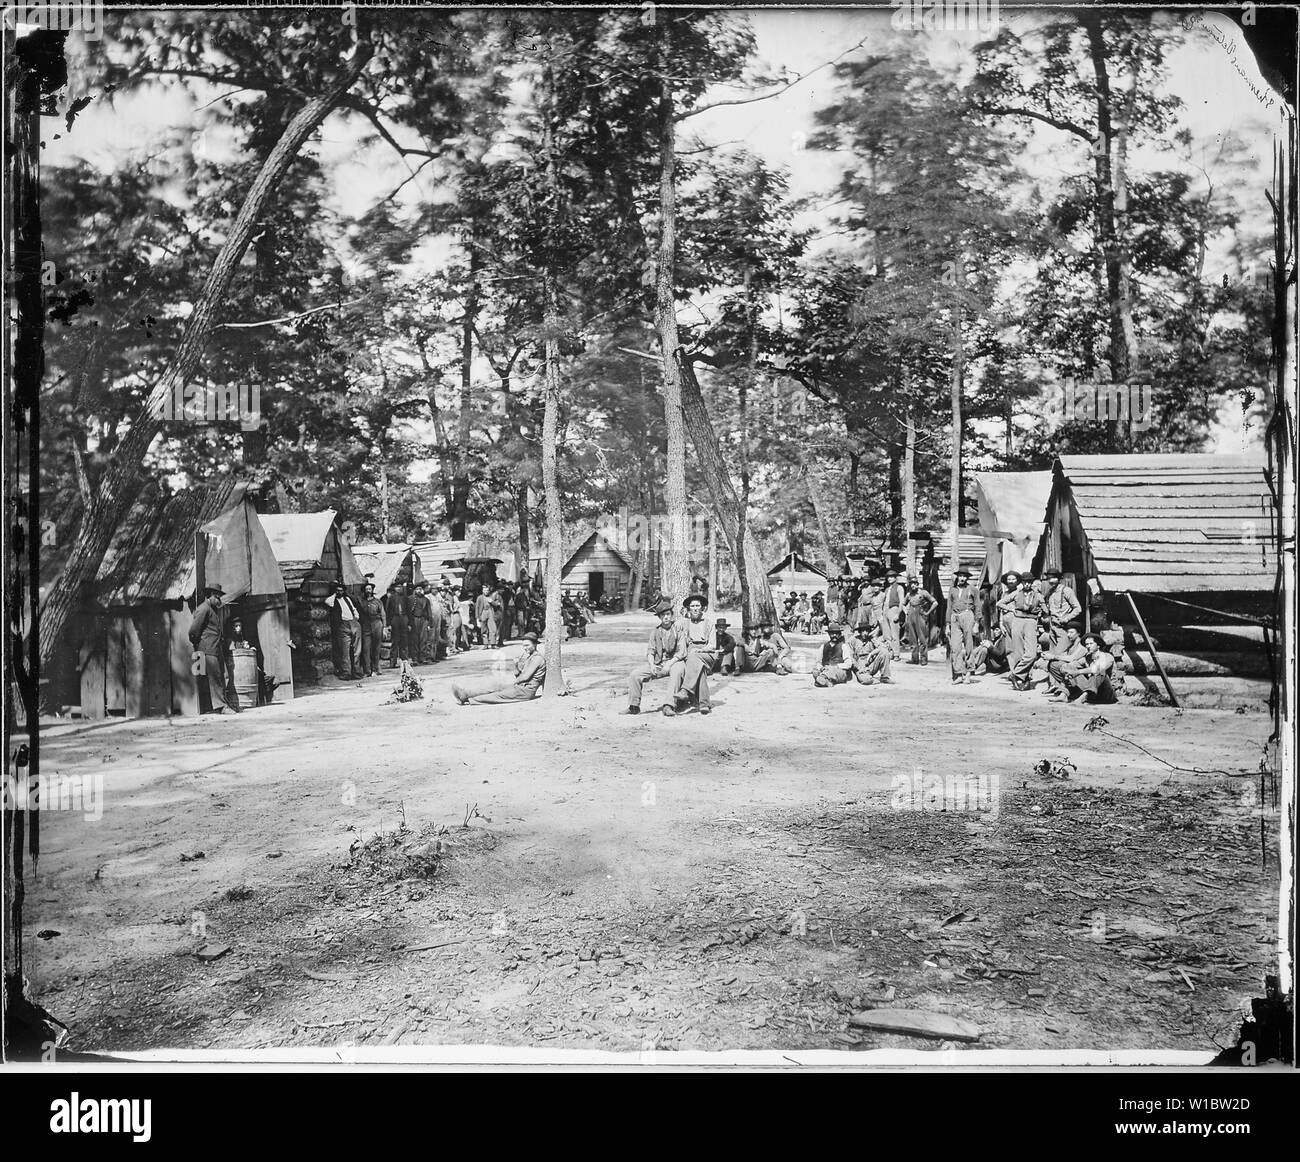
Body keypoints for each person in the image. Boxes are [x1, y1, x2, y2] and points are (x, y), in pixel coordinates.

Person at [624, 596, 687, 715]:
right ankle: (634, 706)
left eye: (668, 614)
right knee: (635, 675)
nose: (666, 617)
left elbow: (682, 652)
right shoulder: (655, 631)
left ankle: (669, 705)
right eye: (663, 615)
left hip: (675, 662)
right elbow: (650, 651)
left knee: (677, 672)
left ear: (672, 614)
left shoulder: (678, 629)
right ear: (659, 617)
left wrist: (669, 664)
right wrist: (652, 664)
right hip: (659, 663)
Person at [452, 632, 547, 705]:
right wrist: (516, 665)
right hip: (520, 687)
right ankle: (465, 694)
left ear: (535, 644)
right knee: (496, 686)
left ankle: (469, 700)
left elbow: (525, 677)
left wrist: (513, 683)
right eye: (524, 646)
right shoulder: (529, 657)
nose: (525, 648)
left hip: (526, 691)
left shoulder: (537, 658)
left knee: (498, 695)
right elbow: (518, 674)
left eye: (527, 645)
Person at [664, 594, 718, 715]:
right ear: (688, 608)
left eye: (697, 606)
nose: (695, 608)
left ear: (702, 608)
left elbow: (712, 645)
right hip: (689, 653)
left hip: (706, 653)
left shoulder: (709, 623)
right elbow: (674, 631)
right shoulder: (684, 623)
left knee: (696, 658)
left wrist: (700, 650)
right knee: (699, 668)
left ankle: (685, 690)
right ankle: (704, 704)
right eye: (692, 606)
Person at [189, 583, 238, 713]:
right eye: (217, 597)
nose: (219, 600)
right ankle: (221, 707)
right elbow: (193, 631)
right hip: (207, 649)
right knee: (214, 678)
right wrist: (199, 644)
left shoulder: (212, 610)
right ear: (210, 596)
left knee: (221, 676)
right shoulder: (203, 609)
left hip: (215, 648)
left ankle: (217, 705)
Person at [997, 572, 1045, 690]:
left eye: (1029, 582)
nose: (1027, 584)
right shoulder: (1016, 593)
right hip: (1017, 621)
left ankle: (1015, 674)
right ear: (1022, 583)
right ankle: (1022, 680)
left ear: (1032, 583)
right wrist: (1011, 609)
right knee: (1018, 653)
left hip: (1031, 622)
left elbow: (1045, 611)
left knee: (1031, 654)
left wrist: (1042, 612)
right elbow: (1000, 603)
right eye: (1025, 582)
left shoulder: (1038, 595)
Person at [1050, 632, 1118, 704]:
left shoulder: (1107, 656)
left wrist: (1076, 672)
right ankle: (1063, 695)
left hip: (1106, 694)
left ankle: (1082, 698)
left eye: (1091, 644)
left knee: (1099, 672)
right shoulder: (1088, 657)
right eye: (1087, 644)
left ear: (1098, 645)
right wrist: (1065, 669)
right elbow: (1074, 664)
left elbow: (1097, 669)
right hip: (1091, 692)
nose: (1088, 646)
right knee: (1069, 667)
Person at [325, 581, 364, 680]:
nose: (340, 592)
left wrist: (356, 618)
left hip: (354, 623)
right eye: (338, 590)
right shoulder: (333, 600)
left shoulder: (347, 599)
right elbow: (327, 602)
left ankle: (357, 672)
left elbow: (354, 608)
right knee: (344, 651)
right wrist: (334, 594)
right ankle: (347, 673)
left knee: (357, 650)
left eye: (341, 590)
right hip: (343, 624)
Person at [1040, 569, 1083, 653]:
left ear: (1059, 579)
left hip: (1063, 628)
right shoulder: (1050, 592)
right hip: (1052, 627)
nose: (1050, 580)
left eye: (1053, 578)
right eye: (1048, 578)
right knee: (1052, 652)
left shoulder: (1066, 591)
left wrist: (1066, 618)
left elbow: (1078, 608)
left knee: (1060, 653)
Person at [947, 569, 978, 682]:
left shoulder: (972, 589)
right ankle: (959, 674)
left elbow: (977, 606)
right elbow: (949, 607)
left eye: (964, 576)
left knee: (969, 646)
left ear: (967, 578)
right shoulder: (953, 590)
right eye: (960, 576)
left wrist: (977, 623)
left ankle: (969, 672)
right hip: (955, 617)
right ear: (957, 577)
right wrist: (947, 624)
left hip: (967, 615)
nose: (962, 578)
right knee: (955, 647)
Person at [1044, 624, 1088, 697]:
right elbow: (1065, 655)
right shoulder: (1072, 644)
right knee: (1052, 664)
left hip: (1082, 673)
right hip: (1073, 670)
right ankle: (1071, 689)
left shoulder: (1082, 644)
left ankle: (1078, 690)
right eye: (1067, 632)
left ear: (1078, 633)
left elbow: (1071, 658)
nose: (1068, 635)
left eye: (1071, 632)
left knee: (1064, 666)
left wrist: (1053, 656)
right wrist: (1048, 655)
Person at [902, 579, 938, 665]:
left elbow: (935, 603)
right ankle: (914, 659)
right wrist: (906, 612)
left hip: (920, 615)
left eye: (914, 583)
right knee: (912, 638)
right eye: (911, 584)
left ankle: (923, 659)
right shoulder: (909, 594)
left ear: (917, 584)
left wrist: (928, 612)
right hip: (911, 615)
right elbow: (903, 604)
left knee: (922, 638)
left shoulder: (923, 593)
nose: (913, 585)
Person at [359, 581, 387, 677]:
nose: (368, 591)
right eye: (366, 589)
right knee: (366, 649)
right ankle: (367, 671)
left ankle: (376, 668)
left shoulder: (378, 602)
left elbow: (383, 614)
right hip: (366, 625)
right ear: (364, 591)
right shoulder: (361, 602)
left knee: (376, 648)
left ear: (372, 590)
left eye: (369, 589)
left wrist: (384, 628)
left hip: (377, 624)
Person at [881, 571, 906, 659]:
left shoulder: (899, 588)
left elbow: (902, 602)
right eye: (888, 577)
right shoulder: (887, 589)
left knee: (895, 634)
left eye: (891, 577)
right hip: (886, 610)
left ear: (895, 578)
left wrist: (898, 614)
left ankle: (896, 654)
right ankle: (890, 652)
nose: (889, 579)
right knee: (887, 634)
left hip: (894, 609)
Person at [386, 582, 410, 667]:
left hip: (403, 618)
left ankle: (405, 661)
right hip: (395, 619)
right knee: (395, 641)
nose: (399, 589)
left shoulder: (405, 598)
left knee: (404, 641)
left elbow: (408, 610)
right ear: (395, 588)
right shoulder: (391, 598)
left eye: (400, 587)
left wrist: (409, 623)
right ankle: (393, 662)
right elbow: (388, 611)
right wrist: (388, 624)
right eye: (397, 587)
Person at [409, 582, 432, 664]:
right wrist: (409, 623)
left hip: (424, 620)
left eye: (420, 589)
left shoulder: (426, 600)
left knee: (423, 639)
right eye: (417, 589)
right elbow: (408, 612)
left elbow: (429, 612)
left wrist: (429, 623)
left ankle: (423, 657)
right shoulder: (410, 599)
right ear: (415, 590)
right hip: (414, 620)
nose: (419, 591)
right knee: (414, 639)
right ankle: (414, 658)